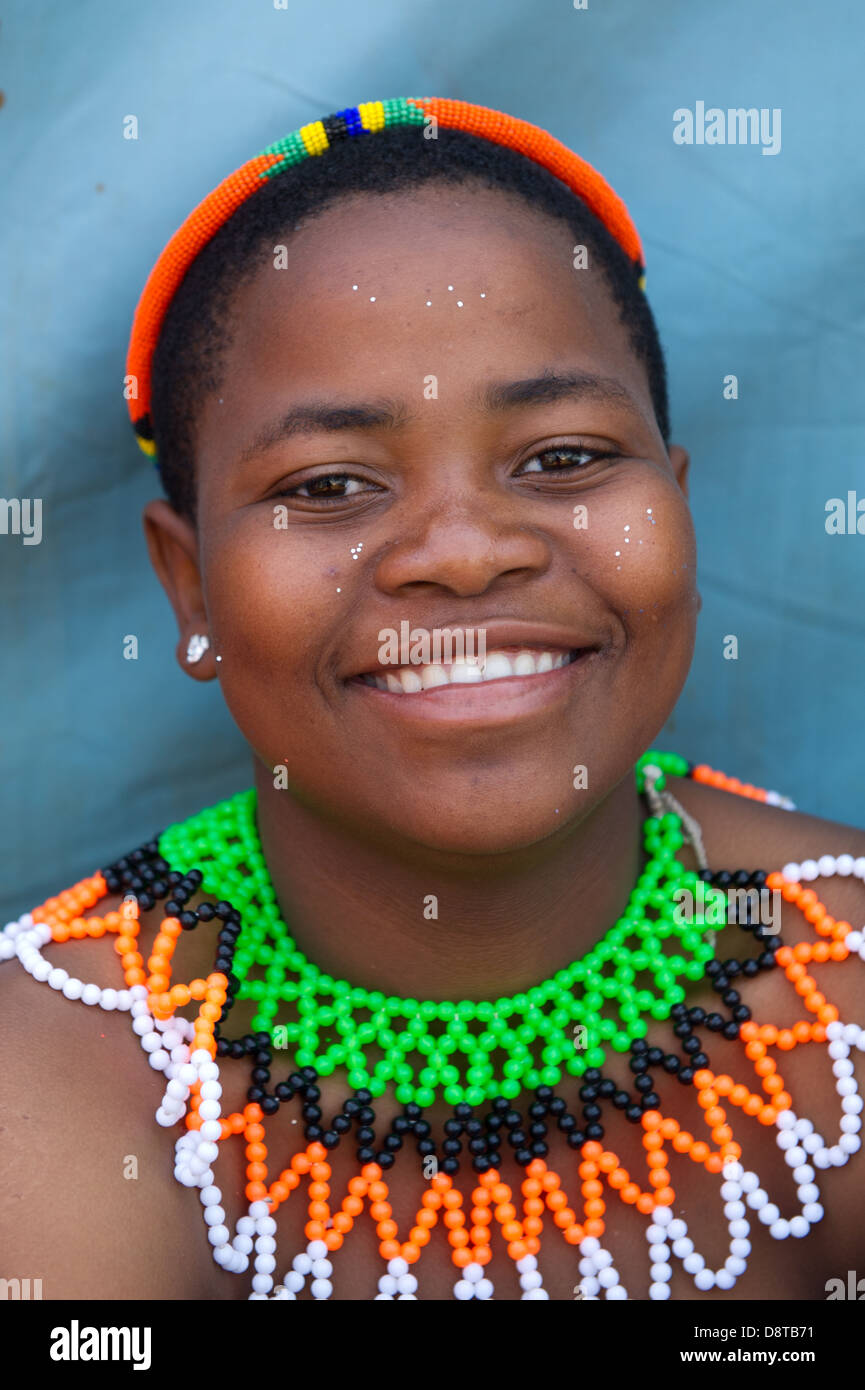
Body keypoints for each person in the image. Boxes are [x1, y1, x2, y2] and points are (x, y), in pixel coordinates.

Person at [2, 97, 864, 1303]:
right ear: (189, 582)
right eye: (331, 482)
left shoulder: (839, 988)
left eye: (563, 459)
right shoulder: (48, 1090)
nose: (463, 552)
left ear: (676, 508)